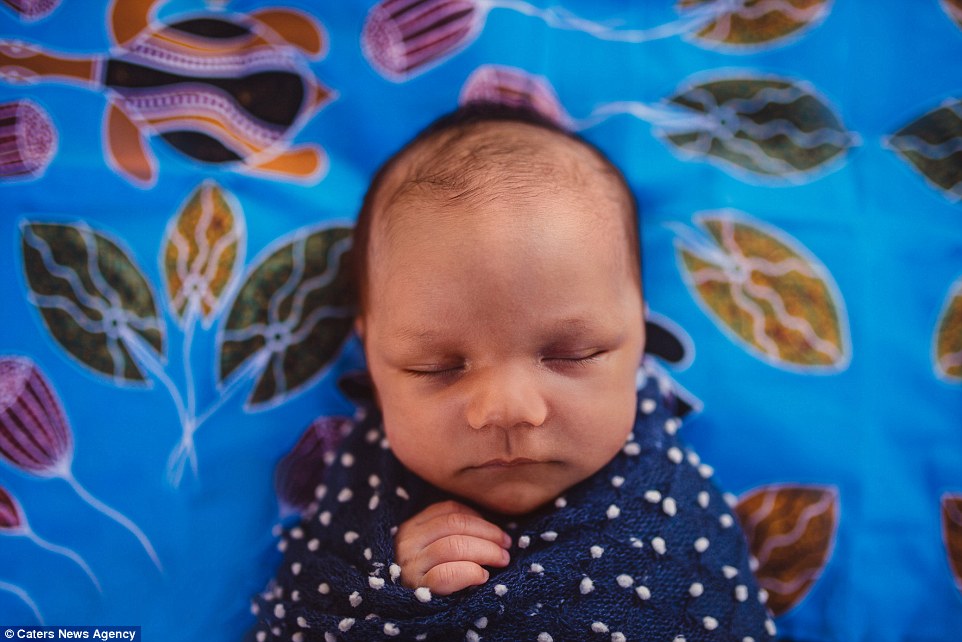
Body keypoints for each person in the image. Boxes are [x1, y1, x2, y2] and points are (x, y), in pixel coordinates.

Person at [248, 103, 775, 641]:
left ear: (639, 336)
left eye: (572, 354)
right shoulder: (361, 493)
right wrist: (388, 581)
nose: (507, 410)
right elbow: (297, 616)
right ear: (371, 357)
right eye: (437, 367)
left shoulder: (680, 517)